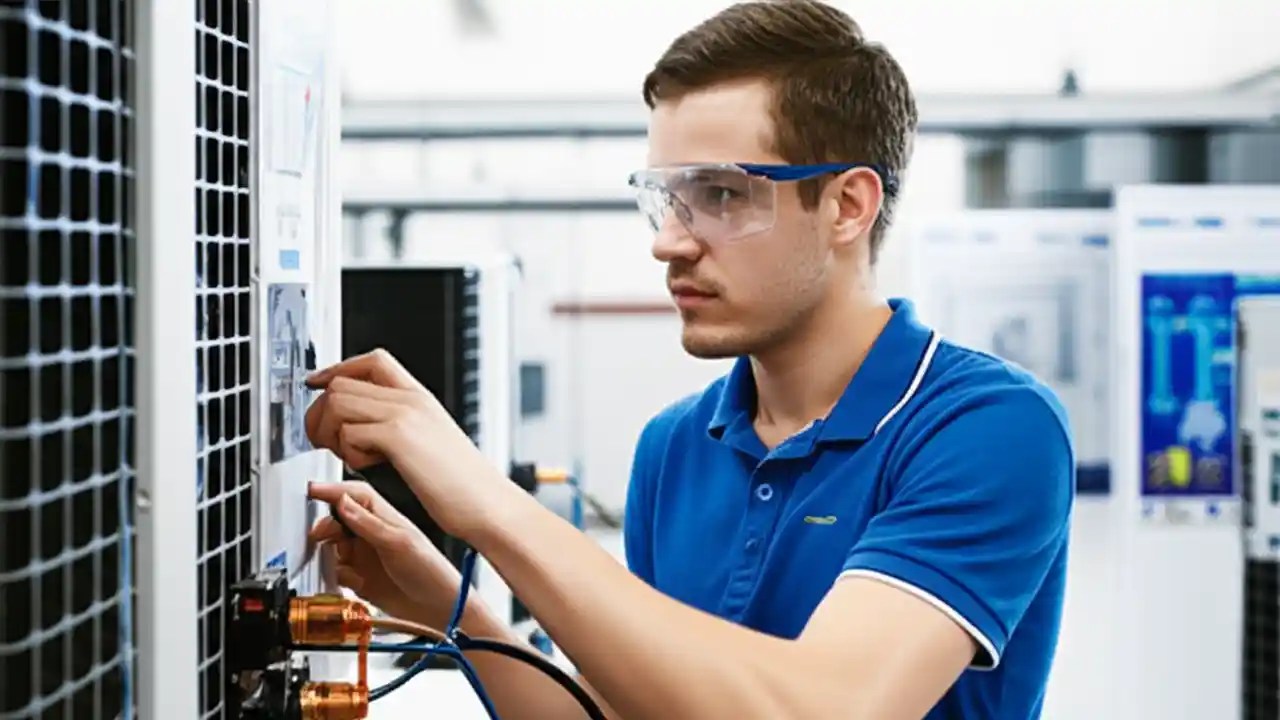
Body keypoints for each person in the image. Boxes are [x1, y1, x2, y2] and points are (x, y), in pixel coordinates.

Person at [303, 1, 1075, 718]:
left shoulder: (987, 428)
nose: (669, 240)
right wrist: (454, 610)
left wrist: (489, 504)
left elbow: (826, 707)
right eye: (667, 197)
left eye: (724, 196)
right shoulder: (674, 447)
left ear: (847, 206)